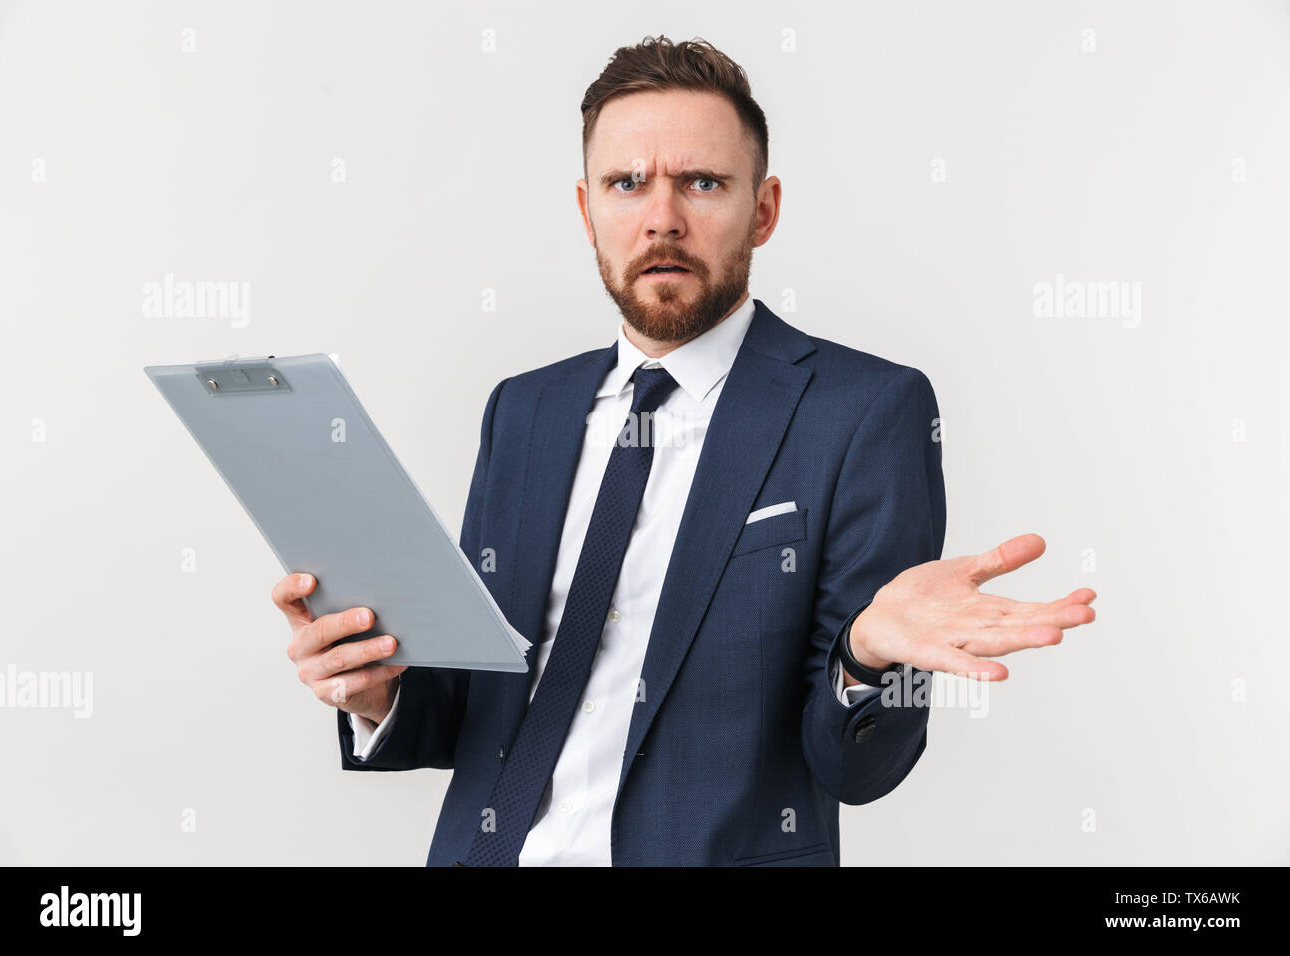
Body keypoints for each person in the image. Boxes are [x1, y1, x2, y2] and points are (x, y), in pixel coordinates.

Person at [271, 35, 1096, 866]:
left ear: (764, 209)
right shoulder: (524, 411)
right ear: (589, 209)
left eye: (702, 182)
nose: (662, 216)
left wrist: (868, 656)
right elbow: (475, 709)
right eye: (627, 184)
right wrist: (377, 692)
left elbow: (860, 765)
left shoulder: (866, 413)